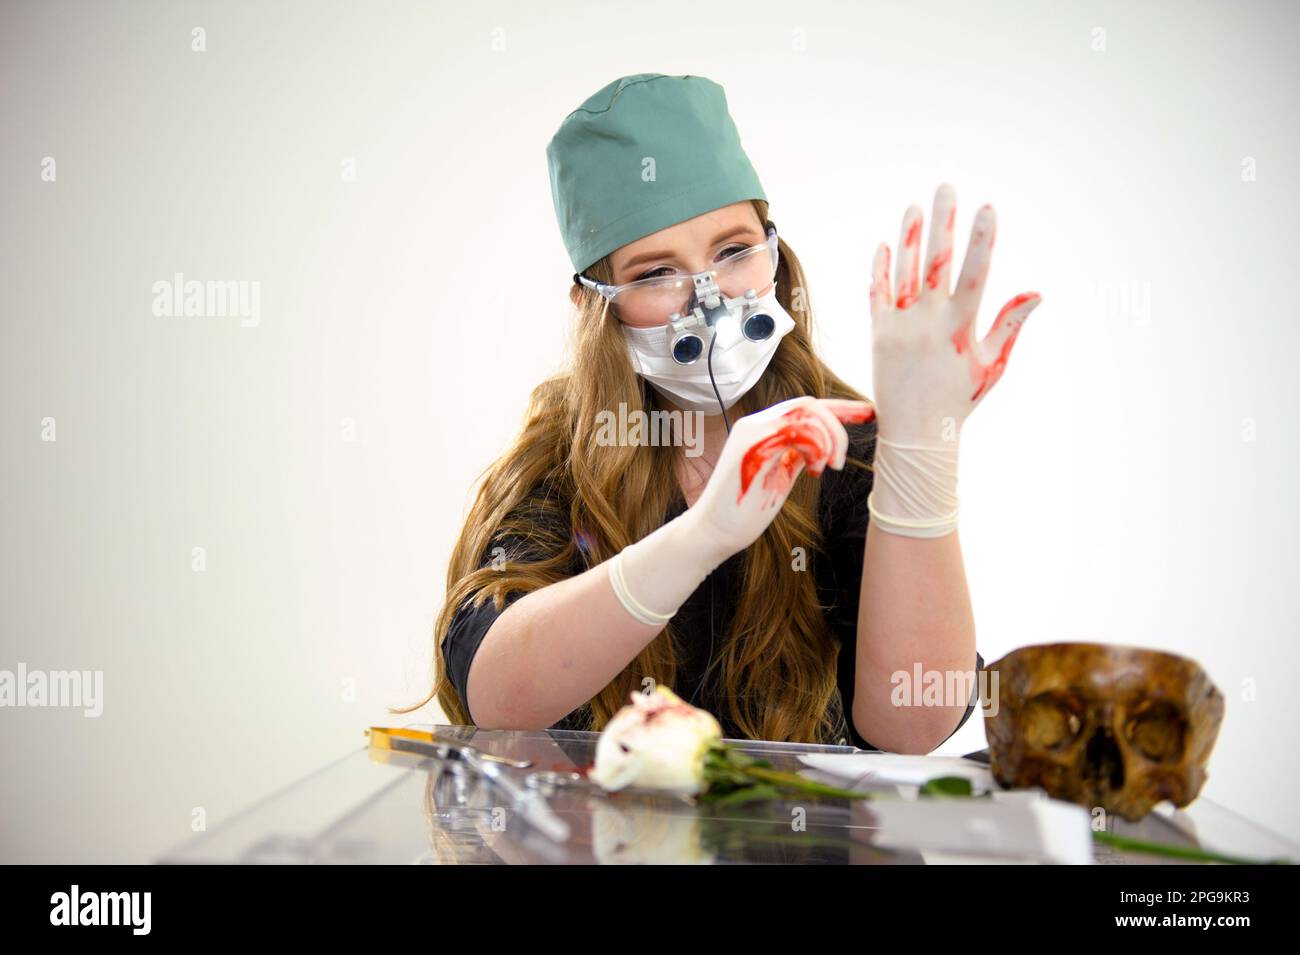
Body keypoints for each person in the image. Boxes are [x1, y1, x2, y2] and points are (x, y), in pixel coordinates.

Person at [396, 73, 1042, 752]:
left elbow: (914, 719)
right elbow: (495, 698)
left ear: (774, 254)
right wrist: (700, 537)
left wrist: (920, 453)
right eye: (654, 274)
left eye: (734, 252)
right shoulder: (556, 465)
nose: (708, 303)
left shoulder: (847, 442)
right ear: (593, 305)